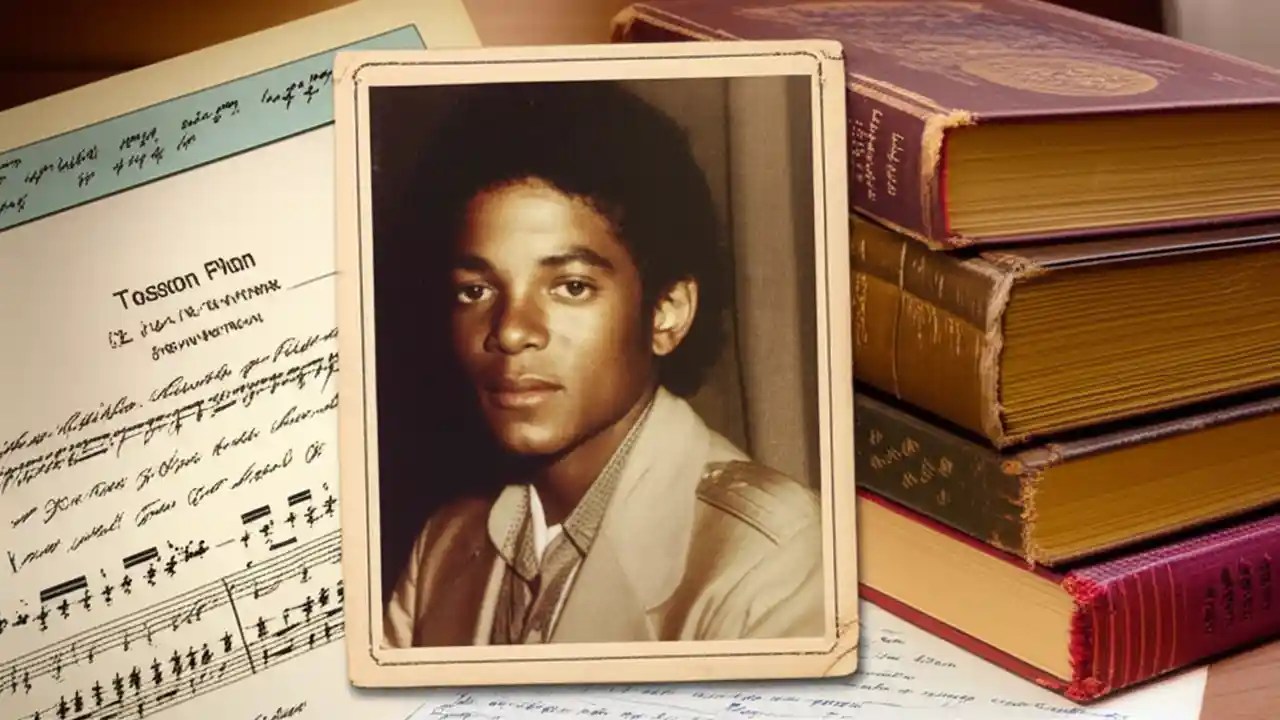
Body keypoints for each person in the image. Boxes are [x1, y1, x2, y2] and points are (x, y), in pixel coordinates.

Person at [382, 80, 823, 647]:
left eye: (570, 286)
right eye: (476, 290)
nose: (511, 330)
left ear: (666, 313)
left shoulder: (774, 563)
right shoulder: (441, 547)